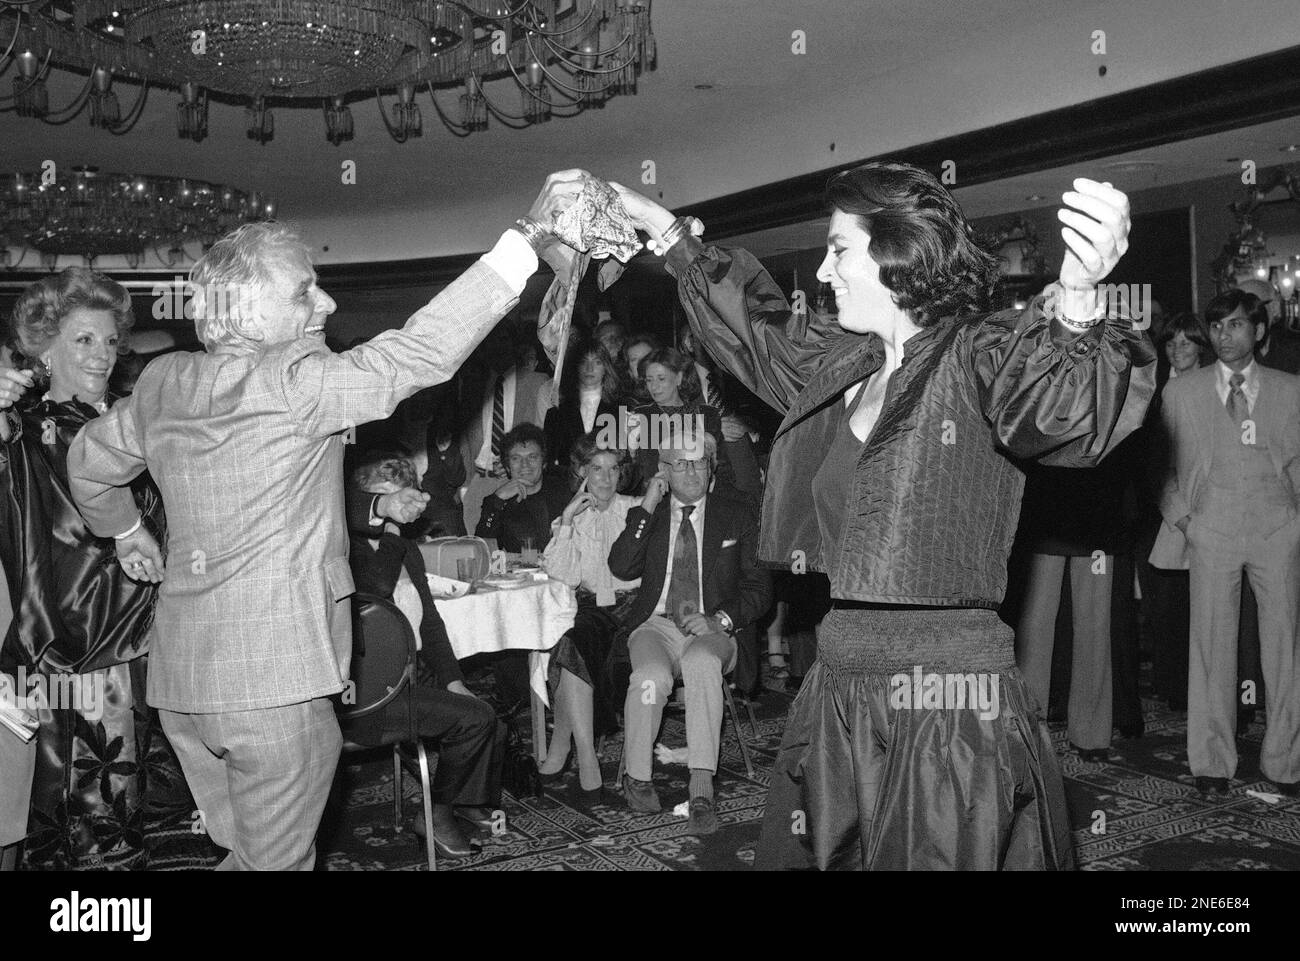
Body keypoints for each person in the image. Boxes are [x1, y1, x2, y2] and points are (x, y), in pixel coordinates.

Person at [612, 163, 1152, 869]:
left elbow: (1065, 409)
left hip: (947, 705)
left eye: (839, 248)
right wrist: (666, 231)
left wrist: (1078, 293)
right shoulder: (846, 363)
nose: (824, 269)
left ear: (897, 252)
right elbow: (756, 332)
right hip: (840, 690)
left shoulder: (975, 352)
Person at [66, 171, 586, 870]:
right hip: (273, 691)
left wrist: (127, 529)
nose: (328, 301)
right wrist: (525, 243)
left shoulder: (163, 382)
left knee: (248, 854)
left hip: (183, 689)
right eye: (303, 292)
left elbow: (87, 461)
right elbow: (421, 351)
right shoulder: (295, 385)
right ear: (248, 312)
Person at [0, 268, 178, 869]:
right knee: (83, 806)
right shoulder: (23, 433)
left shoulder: (130, 426)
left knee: (124, 802)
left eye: (108, 341)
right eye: (82, 340)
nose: (102, 354)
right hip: (75, 642)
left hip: (146, 633)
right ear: (42, 349)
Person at [1157, 290, 1300, 797]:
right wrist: (1185, 521)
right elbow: (1163, 468)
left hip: (1277, 528)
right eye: (1216, 327)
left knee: (1287, 647)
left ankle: (1286, 761)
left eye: (1235, 326)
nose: (1223, 336)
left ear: (1259, 332)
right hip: (1211, 527)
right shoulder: (1181, 393)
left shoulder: (1291, 390)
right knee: (1211, 645)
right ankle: (1213, 763)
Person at [608, 433, 771, 835]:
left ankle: (701, 786)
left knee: (700, 663)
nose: (692, 471)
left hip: (713, 630)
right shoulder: (652, 515)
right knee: (649, 678)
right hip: (657, 624)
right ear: (664, 470)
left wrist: (719, 618)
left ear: (712, 467)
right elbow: (622, 566)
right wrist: (646, 505)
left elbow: (761, 588)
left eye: (699, 462)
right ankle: (638, 775)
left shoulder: (737, 513)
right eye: (680, 463)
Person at [345, 453, 502, 859]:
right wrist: (395, 531)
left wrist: (454, 680)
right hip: (369, 692)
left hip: (410, 674)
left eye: (401, 496)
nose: (395, 505)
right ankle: (436, 813)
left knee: (486, 712)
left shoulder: (406, 551)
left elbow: (430, 624)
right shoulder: (347, 548)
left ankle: (462, 799)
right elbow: (377, 586)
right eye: (382, 497)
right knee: (474, 721)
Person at [538, 434, 641, 798]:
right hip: (592, 608)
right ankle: (586, 753)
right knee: (571, 642)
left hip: (634, 608)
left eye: (613, 469)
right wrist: (568, 518)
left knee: (571, 651)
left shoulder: (638, 508)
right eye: (596, 468)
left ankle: (560, 746)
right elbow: (563, 576)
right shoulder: (567, 519)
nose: (605, 477)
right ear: (581, 471)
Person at [1143, 312, 1211, 709]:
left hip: (1210, 513)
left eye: (1187, 341)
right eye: (1171, 342)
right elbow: (1153, 461)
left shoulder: (1216, 390)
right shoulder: (1155, 391)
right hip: (1163, 516)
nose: (1178, 349)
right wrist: (1180, 515)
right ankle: (1174, 690)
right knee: (1165, 610)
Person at [457, 326, 554, 534]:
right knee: (478, 549)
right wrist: (465, 485)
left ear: (514, 344)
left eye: (502, 339)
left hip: (521, 479)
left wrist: (511, 463)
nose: (496, 346)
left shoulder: (537, 382)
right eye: (489, 341)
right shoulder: (472, 387)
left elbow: (546, 436)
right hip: (480, 481)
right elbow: (463, 441)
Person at [630, 346, 728, 493]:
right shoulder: (640, 416)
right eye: (649, 380)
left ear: (679, 378)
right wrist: (630, 453)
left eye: (661, 379)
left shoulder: (706, 415)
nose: (654, 386)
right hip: (655, 502)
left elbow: (722, 469)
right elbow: (628, 481)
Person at [542, 337, 626, 484]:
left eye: (597, 362)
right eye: (583, 362)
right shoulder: (556, 415)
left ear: (606, 368)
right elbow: (548, 465)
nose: (590, 368)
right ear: (574, 367)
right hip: (568, 492)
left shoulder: (622, 410)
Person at [476, 422, 569, 553]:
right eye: (516, 458)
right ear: (507, 466)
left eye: (532, 457)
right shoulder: (498, 501)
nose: (524, 464)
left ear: (544, 462)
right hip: (519, 572)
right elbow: (481, 548)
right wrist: (497, 500)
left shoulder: (564, 492)